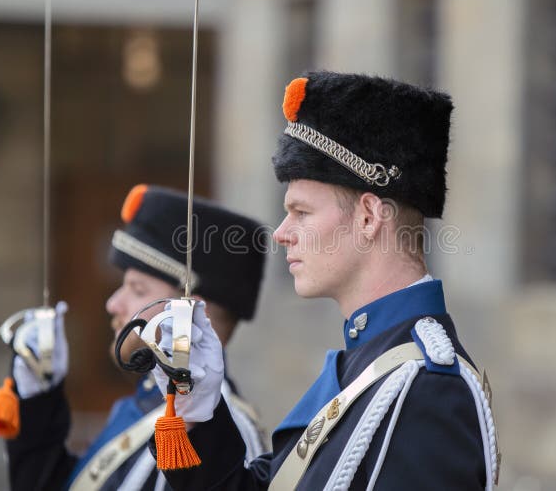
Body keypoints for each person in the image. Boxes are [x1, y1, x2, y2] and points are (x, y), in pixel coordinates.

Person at [151, 71, 500, 490]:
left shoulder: (424, 388)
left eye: (301, 212)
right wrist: (197, 414)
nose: (281, 233)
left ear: (369, 218)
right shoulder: (367, 364)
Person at [0, 184, 269, 490]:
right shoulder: (146, 405)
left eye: (138, 289)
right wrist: (39, 404)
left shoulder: (221, 429)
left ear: (190, 316)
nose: (113, 304)